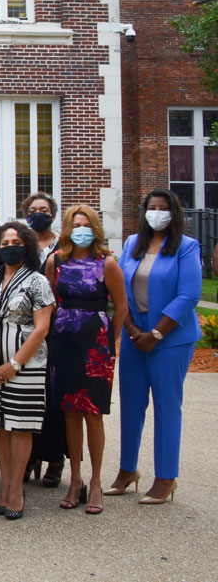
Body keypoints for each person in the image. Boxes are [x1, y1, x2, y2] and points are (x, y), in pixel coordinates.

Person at [109, 189, 201, 505]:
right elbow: (120, 288)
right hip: (136, 337)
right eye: (152, 207)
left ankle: (165, 477)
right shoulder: (132, 243)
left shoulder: (187, 248)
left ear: (174, 213)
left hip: (171, 339)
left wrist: (156, 334)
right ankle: (127, 471)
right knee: (131, 405)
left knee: (166, 407)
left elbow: (188, 296)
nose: (157, 212)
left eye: (163, 208)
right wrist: (133, 329)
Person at [46, 205, 128, 514]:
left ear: (95, 229)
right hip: (63, 341)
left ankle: (95, 482)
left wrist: (110, 338)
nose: (81, 230)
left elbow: (120, 306)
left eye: (87, 225)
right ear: (67, 228)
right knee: (69, 412)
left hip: (96, 345)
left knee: (93, 413)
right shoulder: (56, 261)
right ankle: (75, 479)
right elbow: (50, 301)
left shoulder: (107, 263)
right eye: (75, 225)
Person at [0, 221, 55, 520]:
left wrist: (17, 363)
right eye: (5, 243)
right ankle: (5, 487)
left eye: (16, 242)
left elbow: (42, 327)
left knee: (20, 427)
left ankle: (16, 491)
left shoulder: (37, 281)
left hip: (26, 365)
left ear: (28, 246)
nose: (10, 248)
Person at [21, 191, 65, 488]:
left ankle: (55, 458)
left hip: (57, 329)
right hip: (23, 329)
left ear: (53, 214)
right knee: (28, 394)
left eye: (44, 209)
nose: (39, 213)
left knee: (53, 395)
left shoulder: (63, 246)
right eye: (33, 209)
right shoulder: (20, 245)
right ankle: (30, 455)